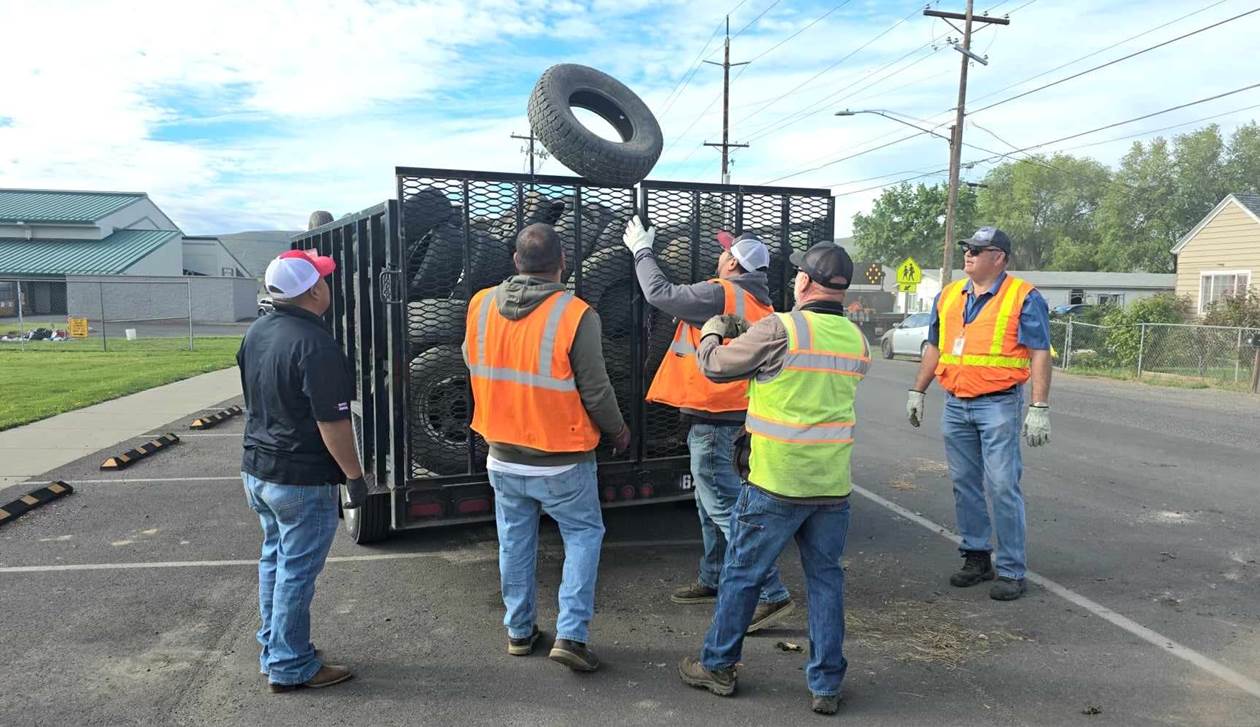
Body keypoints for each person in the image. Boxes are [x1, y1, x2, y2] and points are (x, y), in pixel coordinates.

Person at [677, 241, 871, 716]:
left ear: (803, 281)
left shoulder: (781, 328)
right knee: (825, 582)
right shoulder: (857, 340)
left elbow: (715, 367)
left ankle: (717, 665)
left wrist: (713, 331)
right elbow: (804, 377)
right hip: (831, 484)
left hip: (776, 481)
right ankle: (826, 685)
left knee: (742, 575)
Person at [464, 222, 630, 672]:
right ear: (563, 263)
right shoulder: (576, 314)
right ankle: (571, 636)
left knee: (514, 541)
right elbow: (596, 390)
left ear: (516, 261)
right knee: (583, 535)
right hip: (562, 458)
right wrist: (618, 430)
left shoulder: (481, 304)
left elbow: (472, 359)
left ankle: (519, 632)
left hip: (502, 453)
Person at [623, 217, 796, 632]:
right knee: (709, 503)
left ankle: (771, 592)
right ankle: (714, 575)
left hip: (715, 420)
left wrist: (641, 251)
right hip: (734, 417)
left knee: (722, 506)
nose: (719, 256)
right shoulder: (761, 303)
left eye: (724, 252)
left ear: (733, 264)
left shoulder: (720, 294)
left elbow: (659, 294)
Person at [238, 248, 368, 693]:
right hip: (300, 478)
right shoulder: (316, 345)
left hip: (258, 469)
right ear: (313, 291)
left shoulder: (258, 331)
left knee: (275, 562)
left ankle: (274, 649)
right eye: (323, 279)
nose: (327, 284)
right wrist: (354, 476)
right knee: (295, 573)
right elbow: (332, 422)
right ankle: (290, 664)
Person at [906, 226, 1052, 602]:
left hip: (998, 404)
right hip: (956, 402)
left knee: (1002, 485)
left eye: (976, 250)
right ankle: (976, 557)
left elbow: (1039, 351)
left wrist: (1038, 406)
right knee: (964, 483)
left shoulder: (1023, 297)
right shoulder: (949, 295)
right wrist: (918, 390)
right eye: (967, 249)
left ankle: (1012, 570)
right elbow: (935, 346)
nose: (968, 255)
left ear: (998, 257)